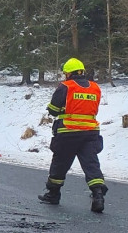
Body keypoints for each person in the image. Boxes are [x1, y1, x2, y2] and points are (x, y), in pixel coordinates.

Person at [38, 58, 108, 212]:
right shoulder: (95, 88)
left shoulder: (66, 86)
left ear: (69, 73)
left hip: (68, 132)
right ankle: (98, 195)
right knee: (91, 164)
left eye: (66, 74)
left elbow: (53, 110)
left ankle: (53, 194)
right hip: (90, 133)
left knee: (60, 163)